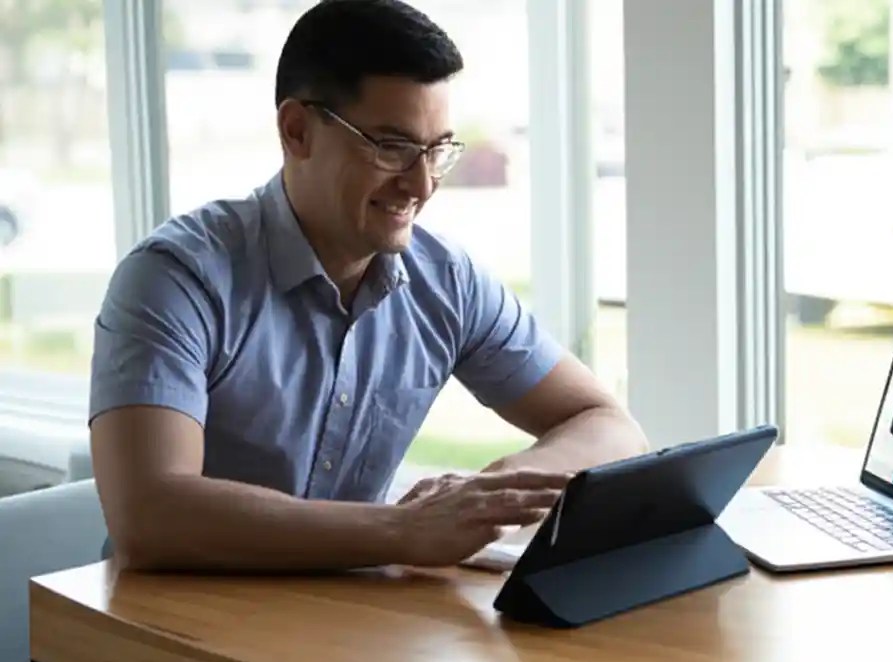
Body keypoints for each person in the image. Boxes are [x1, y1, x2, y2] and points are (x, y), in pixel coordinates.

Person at [88, 0, 648, 572]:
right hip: (154, 639)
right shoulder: (175, 278)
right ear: (297, 130)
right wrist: (400, 531)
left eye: (437, 150)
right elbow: (148, 514)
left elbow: (608, 427)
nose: (421, 183)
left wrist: (493, 494)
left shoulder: (446, 282)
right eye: (392, 147)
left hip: (346, 623)